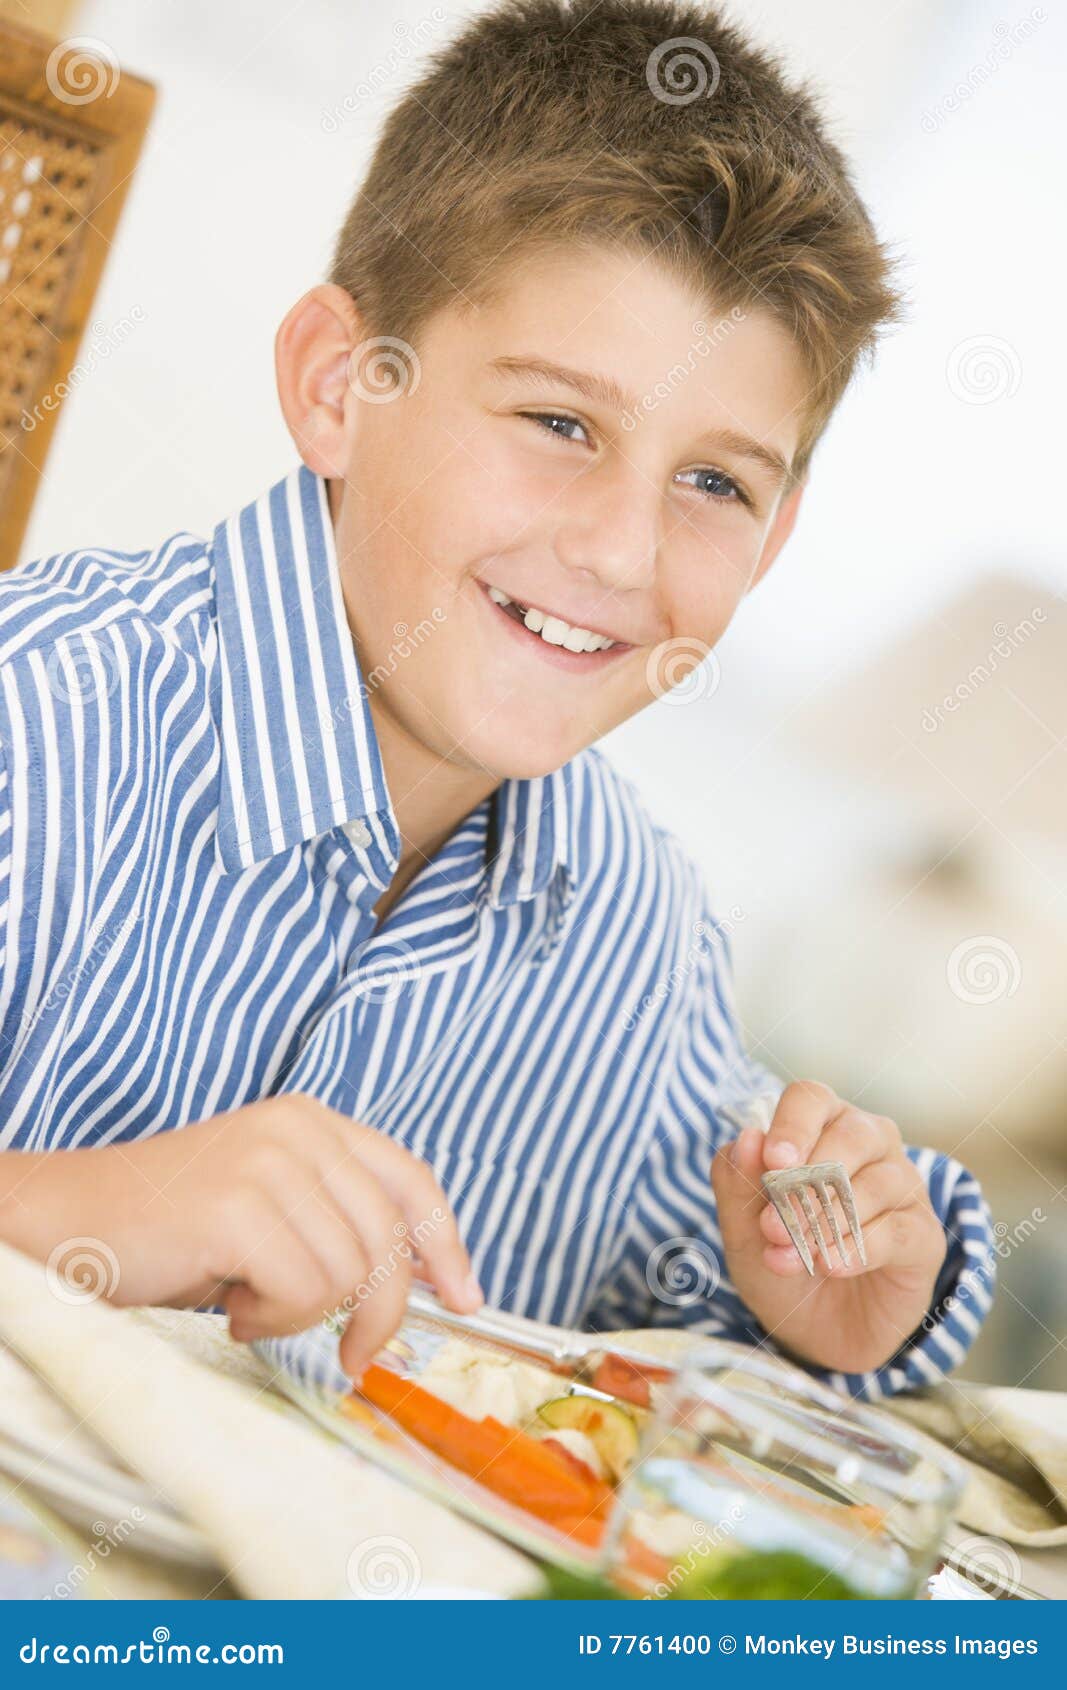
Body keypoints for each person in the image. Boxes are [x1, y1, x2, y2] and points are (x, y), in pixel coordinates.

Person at [0, 0, 993, 1397]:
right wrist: (61, 1216)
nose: (621, 552)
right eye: (559, 424)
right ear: (339, 384)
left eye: (714, 484)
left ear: (774, 540)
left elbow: (680, 1335)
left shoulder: (644, 945)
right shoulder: (38, 725)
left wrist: (828, 1312)